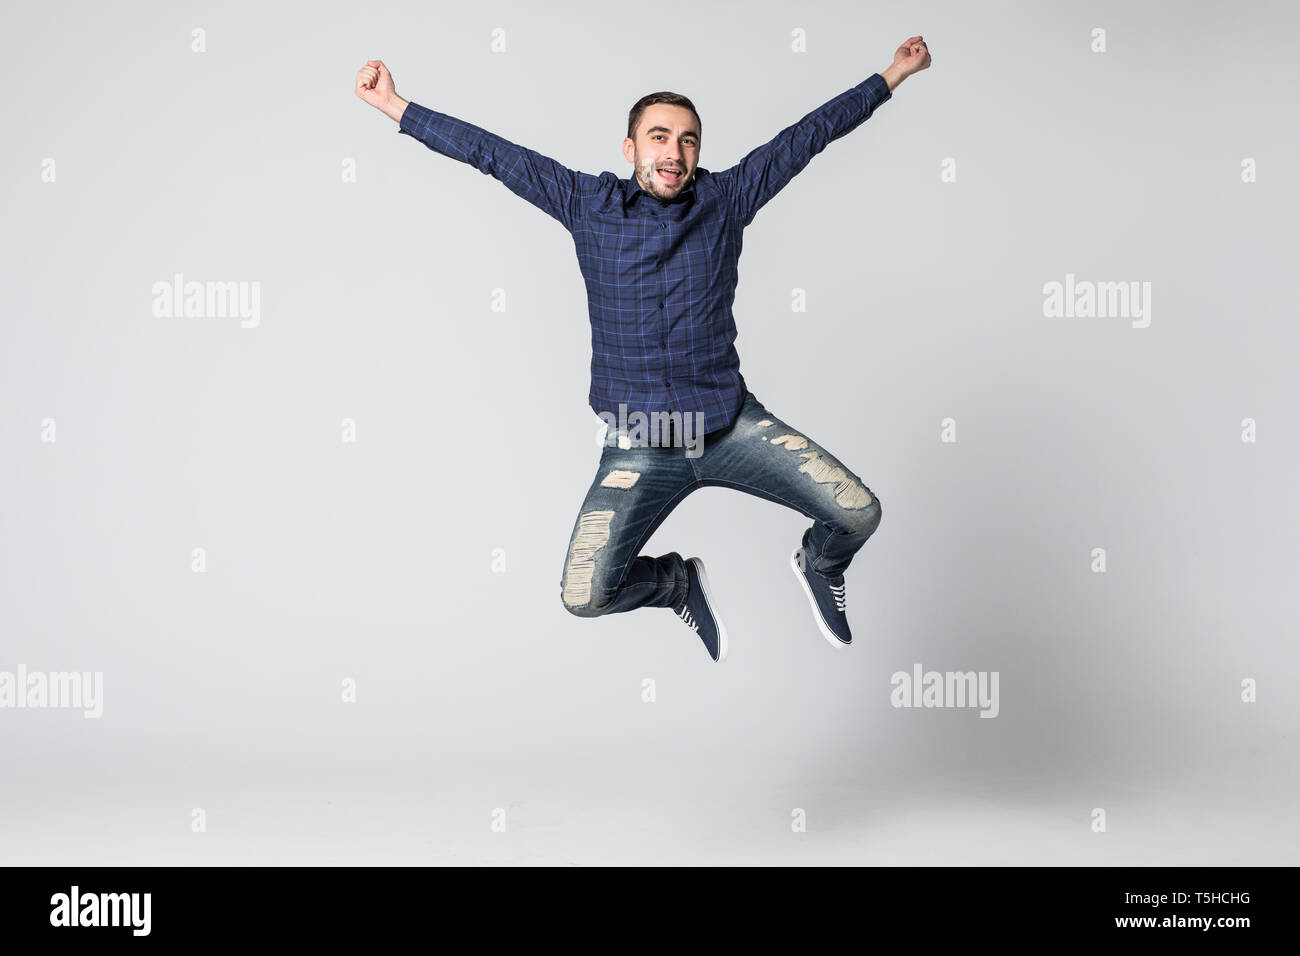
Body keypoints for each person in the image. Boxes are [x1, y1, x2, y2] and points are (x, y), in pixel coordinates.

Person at [355, 36, 932, 663]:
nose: (674, 151)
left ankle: (819, 565)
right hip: (640, 442)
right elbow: (492, 155)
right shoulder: (586, 203)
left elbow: (807, 136)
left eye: (687, 140)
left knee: (860, 513)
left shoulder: (726, 200)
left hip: (731, 426)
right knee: (584, 595)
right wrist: (395, 106)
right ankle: (676, 582)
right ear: (631, 148)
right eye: (659, 137)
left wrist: (893, 74)